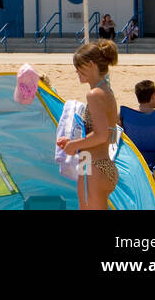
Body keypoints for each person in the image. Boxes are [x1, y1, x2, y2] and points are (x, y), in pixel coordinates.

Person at [56, 39, 120, 210]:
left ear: (91, 65)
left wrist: (74, 145)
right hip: (98, 163)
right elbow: (110, 134)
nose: (76, 71)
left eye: (79, 67)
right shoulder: (106, 89)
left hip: (94, 165)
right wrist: (74, 144)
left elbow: (101, 135)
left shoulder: (95, 94)